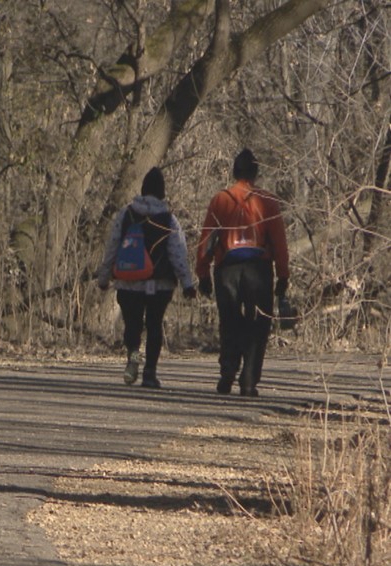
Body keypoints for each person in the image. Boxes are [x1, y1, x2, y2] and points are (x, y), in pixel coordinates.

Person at [195, 148, 289, 397]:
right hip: (259, 269)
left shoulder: (221, 199)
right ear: (256, 172)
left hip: (227, 269)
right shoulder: (268, 201)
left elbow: (206, 240)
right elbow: (279, 241)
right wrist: (283, 274)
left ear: (234, 171)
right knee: (258, 323)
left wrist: (202, 273)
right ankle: (249, 380)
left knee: (229, 321)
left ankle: (227, 372)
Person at [97, 167, 196, 389]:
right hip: (159, 283)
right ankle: (150, 372)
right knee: (154, 324)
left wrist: (104, 277)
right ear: (162, 192)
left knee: (132, 323)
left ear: (143, 190)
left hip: (128, 281)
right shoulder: (168, 219)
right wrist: (188, 284)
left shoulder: (126, 214)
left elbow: (112, 246)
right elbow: (178, 253)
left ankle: (133, 353)